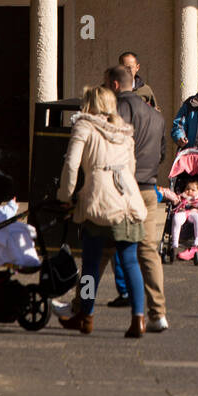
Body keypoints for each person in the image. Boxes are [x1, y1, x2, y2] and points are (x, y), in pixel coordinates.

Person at [56, 85, 147, 338]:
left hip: (98, 201)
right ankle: (138, 319)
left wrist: (66, 195)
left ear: (90, 104)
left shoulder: (84, 126)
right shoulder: (125, 132)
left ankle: (86, 316)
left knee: (90, 267)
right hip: (127, 200)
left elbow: (71, 164)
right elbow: (131, 167)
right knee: (130, 262)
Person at [104, 65, 169, 332]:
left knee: (97, 250)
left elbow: (109, 147)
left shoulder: (119, 109)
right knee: (148, 251)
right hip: (148, 188)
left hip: (121, 187)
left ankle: (80, 305)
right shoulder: (157, 116)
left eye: (106, 84)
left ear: (115, 85)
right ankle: (158, 313)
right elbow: (162, 153)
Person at [159, 178, 198, 258]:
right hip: (182, 212)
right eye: (187, 189)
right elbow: (172, 196)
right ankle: (175, 241)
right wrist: (163, 191)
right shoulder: (180, 198)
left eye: (193, 190)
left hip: (194, 213)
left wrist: (196, 203)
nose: (189, 191)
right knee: (176, 218)